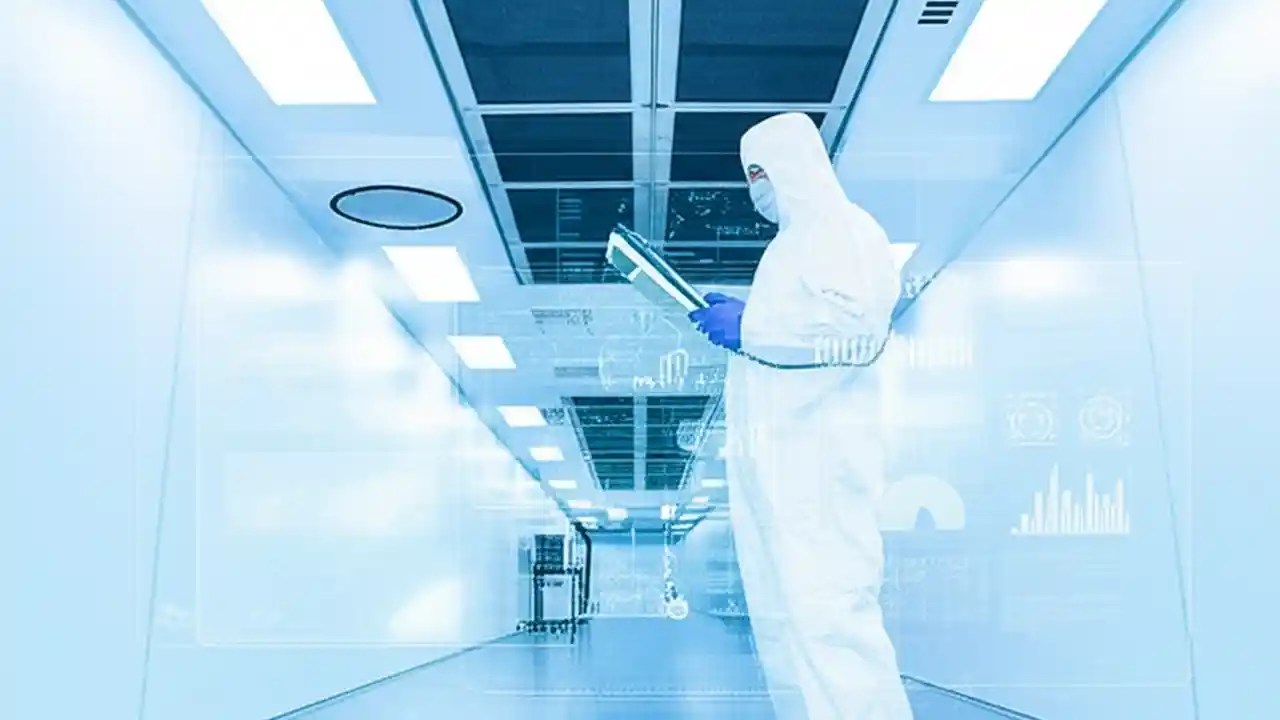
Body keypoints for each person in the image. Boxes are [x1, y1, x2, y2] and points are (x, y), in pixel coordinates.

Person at [689, 112, 912, 720]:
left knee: (831, 622)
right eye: (749, 177)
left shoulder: (843, 227)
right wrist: (750, 319)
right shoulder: (787, 250)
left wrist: (753, 325)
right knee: (786, 627)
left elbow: (857, 330)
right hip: (781, 473)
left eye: (763, 172)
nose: (758, 187)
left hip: (820, 470)